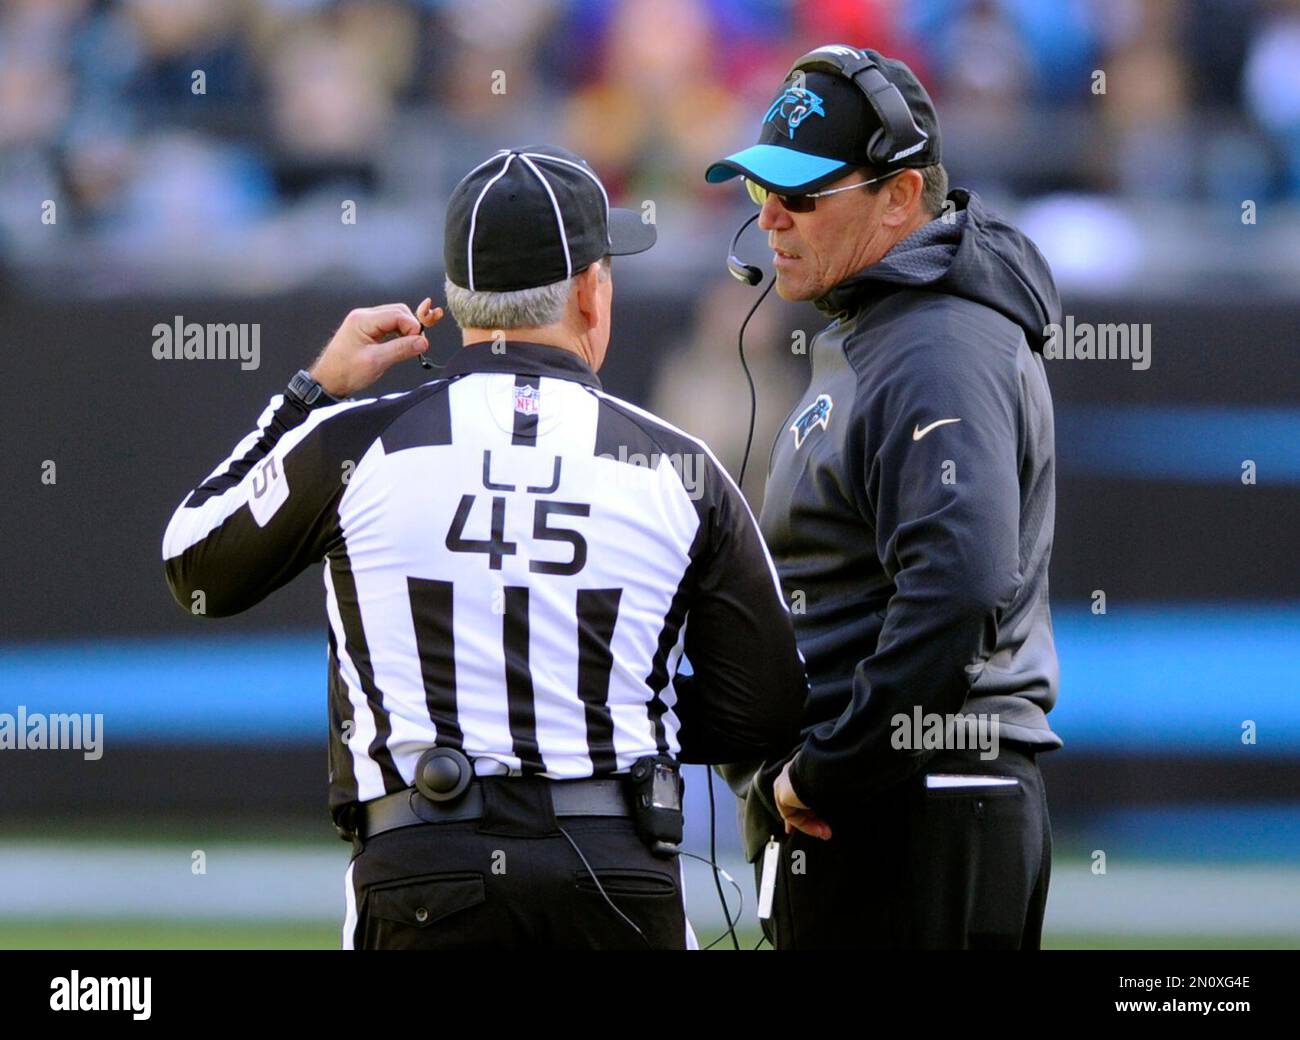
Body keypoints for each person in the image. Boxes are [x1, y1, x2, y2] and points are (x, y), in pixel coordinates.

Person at [162, 144, 807, 950]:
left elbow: (196, 564)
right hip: (615, 871)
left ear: (457, 303)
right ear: (590, 294)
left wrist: (316, 387)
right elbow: (769, 707)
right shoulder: (680, 467)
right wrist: (607, 723)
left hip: (423, 865)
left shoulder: (356, 441)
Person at [706, 46, 1063, 949]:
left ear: (900, 197)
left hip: (917, 807)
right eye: (761, 195)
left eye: (803, 196)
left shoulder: (936, 344)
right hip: (900, 800)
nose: (773, 221)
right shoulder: (882, 326)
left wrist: (824, 772)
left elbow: (961, 585)